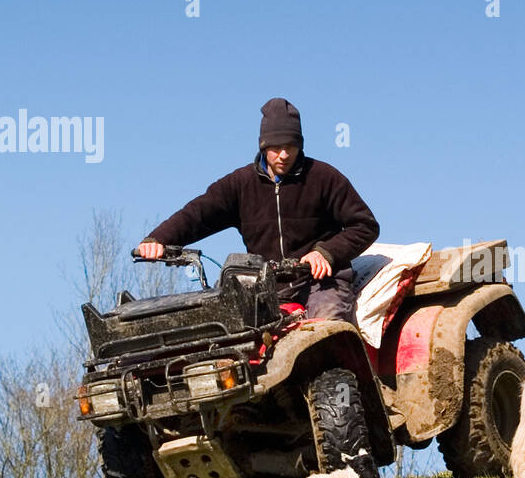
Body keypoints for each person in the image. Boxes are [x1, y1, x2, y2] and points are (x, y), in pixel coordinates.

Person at [138, 97, 379, 324]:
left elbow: (365, 226)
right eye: (276, 148)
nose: (284, 155)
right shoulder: (240, 185)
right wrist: (159, 239)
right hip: (267, 288)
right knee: (224, 333)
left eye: (291, 147)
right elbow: (197, 214)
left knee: (325, 330)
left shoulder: (323, 178)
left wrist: (326, 253)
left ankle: (338, 368)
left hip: (322, 283)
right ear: (263, 146)